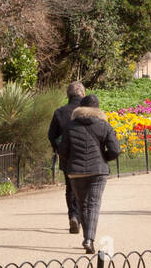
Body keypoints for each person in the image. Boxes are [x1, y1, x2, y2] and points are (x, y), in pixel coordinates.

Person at [58, 95, 121, 254]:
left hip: (76, 172)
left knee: (82, 205)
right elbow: (115, 150)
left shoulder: (70, 127)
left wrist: (74, 159)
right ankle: (89, 239)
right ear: (97, 110)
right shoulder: (104, 126)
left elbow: (62, 151)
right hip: (98, 171)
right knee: (93, 204)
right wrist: (103, 158)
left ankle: (88, 239)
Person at [48, 80, 87, 232]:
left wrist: (58, 149)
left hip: (67, 156)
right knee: (88, 187)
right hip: (86, 155)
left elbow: (51, 135)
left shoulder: (59, 112)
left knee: (70, 187)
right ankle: (85, 217)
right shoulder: (89, 111)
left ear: (67, 95)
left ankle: (73, 216)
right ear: (83, 94)